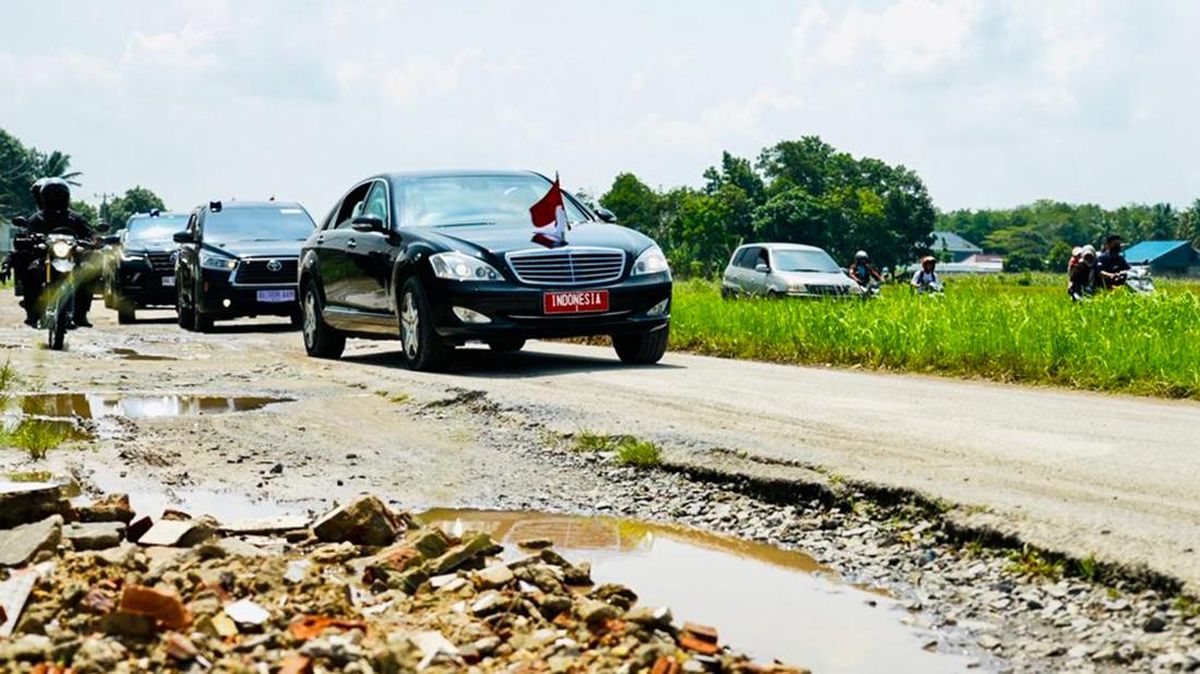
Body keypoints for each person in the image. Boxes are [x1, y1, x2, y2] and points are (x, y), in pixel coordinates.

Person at [17, 178, 98, 327]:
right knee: (32, 271)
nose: (55, 198)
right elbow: (26, 232)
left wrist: (94, 240)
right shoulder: (37, 218)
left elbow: (90, 232)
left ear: (66, 196)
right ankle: (32, 312)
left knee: (89, 271)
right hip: (45, 258)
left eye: (59, 194)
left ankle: (81, 314)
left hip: (72, 257)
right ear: (44, 197)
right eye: (52, 195)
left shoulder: (74, 218)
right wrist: (27, 239)